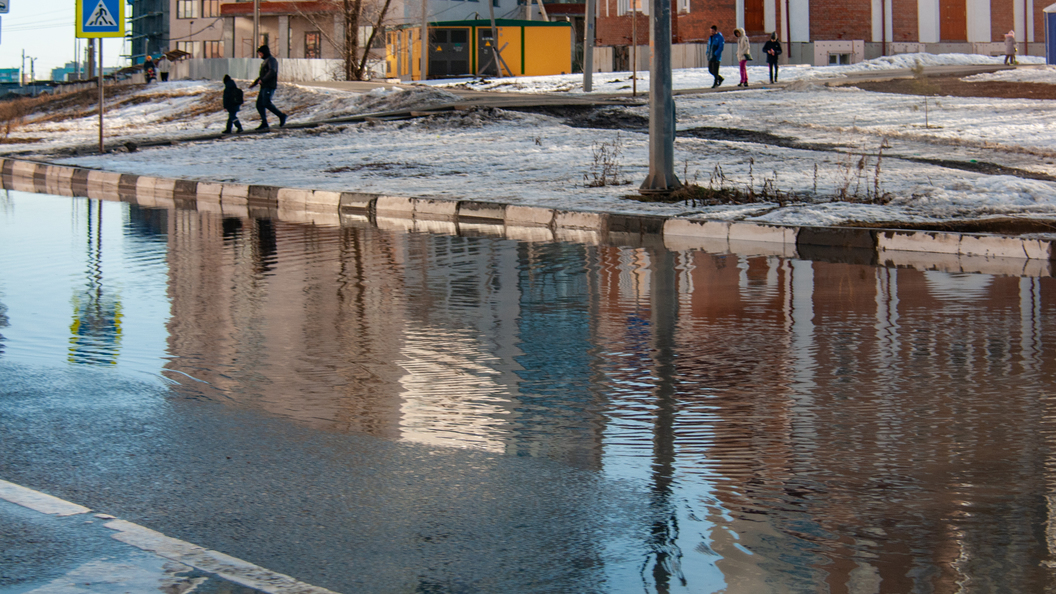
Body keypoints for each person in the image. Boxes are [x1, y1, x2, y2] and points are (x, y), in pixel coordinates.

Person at [249, 45, 287, 131]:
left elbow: (272, 71)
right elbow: (263, 75)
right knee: (259, 104)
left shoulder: (271, 60)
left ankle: (281, 116)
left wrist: (263, 80)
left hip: (269, 85)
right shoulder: (265, 61)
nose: (260, 55)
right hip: (264, 86)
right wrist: (255, 82)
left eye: (260, 53)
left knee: (266, 103)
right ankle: (264, 122)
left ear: (264, 52)